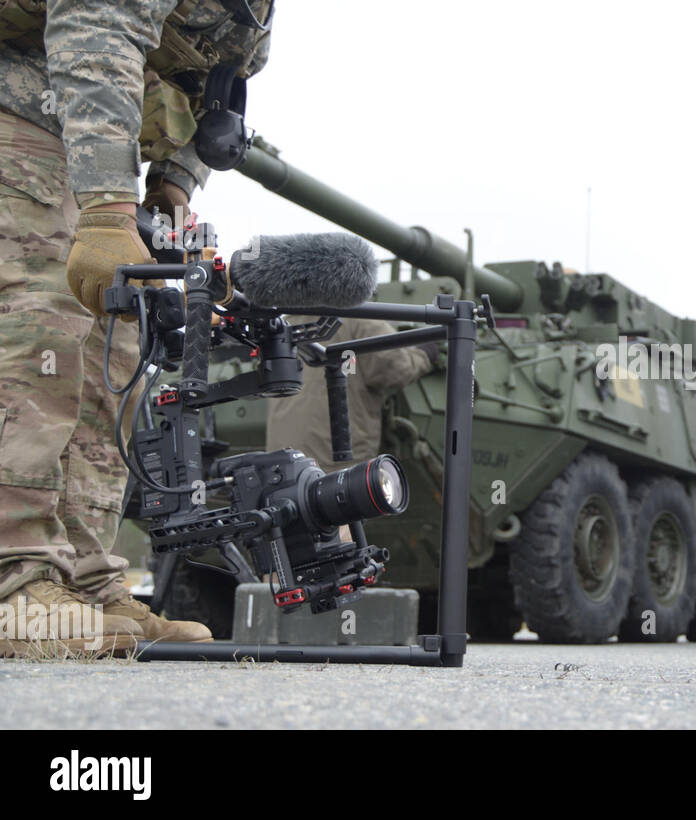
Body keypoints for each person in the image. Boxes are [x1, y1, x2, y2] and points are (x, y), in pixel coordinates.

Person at [0, 0, 274, 655]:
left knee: (114, 345)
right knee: (39, 334)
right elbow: (96, 28)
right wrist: (104, 214)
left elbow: (214, 87)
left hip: (96, 139)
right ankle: (15, 581)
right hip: (26, 113)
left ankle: (82, 577)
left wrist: (173, 191)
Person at [264, 317, 435, 470]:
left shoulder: (283, 324)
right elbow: (396, 368)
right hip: (337, 463)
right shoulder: (359, 318)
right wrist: (424, 355)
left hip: (283, 463)